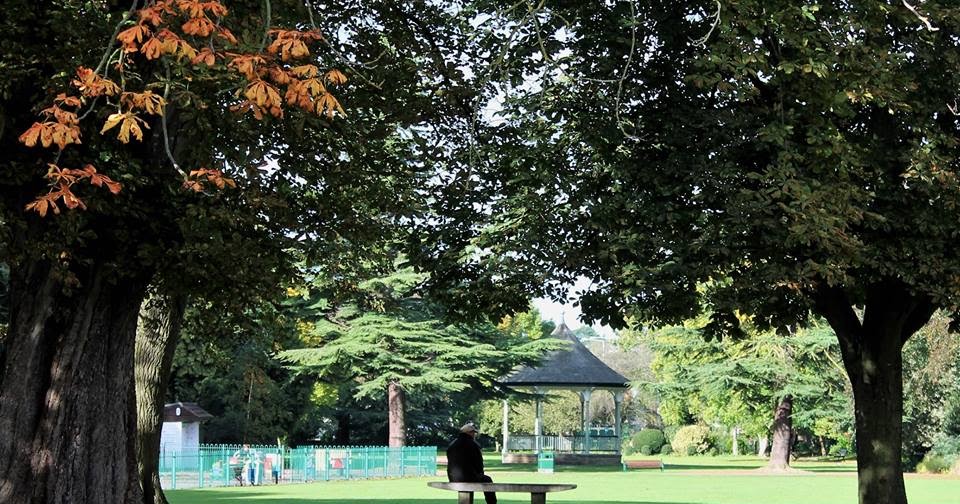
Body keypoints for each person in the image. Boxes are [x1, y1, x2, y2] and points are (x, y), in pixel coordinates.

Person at [447, 422, 497, 504]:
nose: (474, 435)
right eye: (473, 433)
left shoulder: (452, 444)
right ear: (469, 433)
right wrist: (480, 474)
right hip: (468, 477)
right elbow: (478, 463)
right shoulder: (473, 444)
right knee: (487, 479)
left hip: (453, 478)